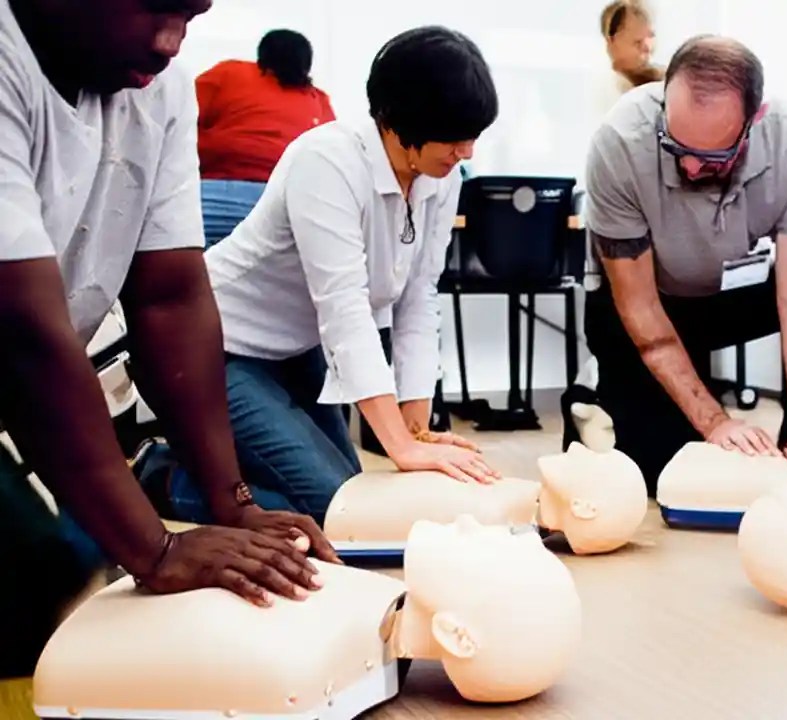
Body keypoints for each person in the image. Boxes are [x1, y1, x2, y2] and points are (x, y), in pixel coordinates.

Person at [0, 0, 337, 679]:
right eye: (156, 6)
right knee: (29, 564)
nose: (170, 41)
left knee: (59, 561)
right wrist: (154, 551)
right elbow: (22, 334)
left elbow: (169, 295)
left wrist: (231, 500)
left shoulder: (157, 87)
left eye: (190, 14)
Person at [133, 26, 502, 527]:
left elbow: (417, 299)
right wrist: (397, 445)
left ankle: (214, 461)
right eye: (456, 137)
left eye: (474, 136)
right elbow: (344, 309)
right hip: (213, 344)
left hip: (295, 350)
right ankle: (160, 478)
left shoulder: (440, 178)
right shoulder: (327, 161)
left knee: (357, 497)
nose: (467, 152)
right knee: (335, 509)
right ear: (400, 123)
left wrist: (416, 433)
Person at [582, 34, 787, 495]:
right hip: (642, 311)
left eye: (713, 155)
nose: (692, 168)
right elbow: (640, 310)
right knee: (668, 475)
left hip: (727, 289)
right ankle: (593, 408)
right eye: (677, 148)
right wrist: (715, 421)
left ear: (754, 121)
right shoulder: (619, 142)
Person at [196, 29, 336, 246]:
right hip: (285, 207)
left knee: (166, 255)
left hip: (212, 197)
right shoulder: (318, 101)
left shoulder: (229, 73)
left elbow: (178, 122)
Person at [595, 1, 662, 118]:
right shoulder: (610, 90)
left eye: (651, 36)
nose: (648, 48)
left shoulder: (662, 78)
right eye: (637, 42)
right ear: (612, 41)